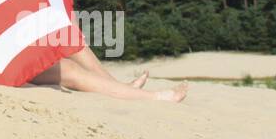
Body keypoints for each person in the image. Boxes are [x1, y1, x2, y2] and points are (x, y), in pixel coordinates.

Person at [32, 44, 189, 102]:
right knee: (69, 69)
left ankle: (119, 87)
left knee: (69, 38)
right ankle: (156, 97)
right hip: (9, 66)